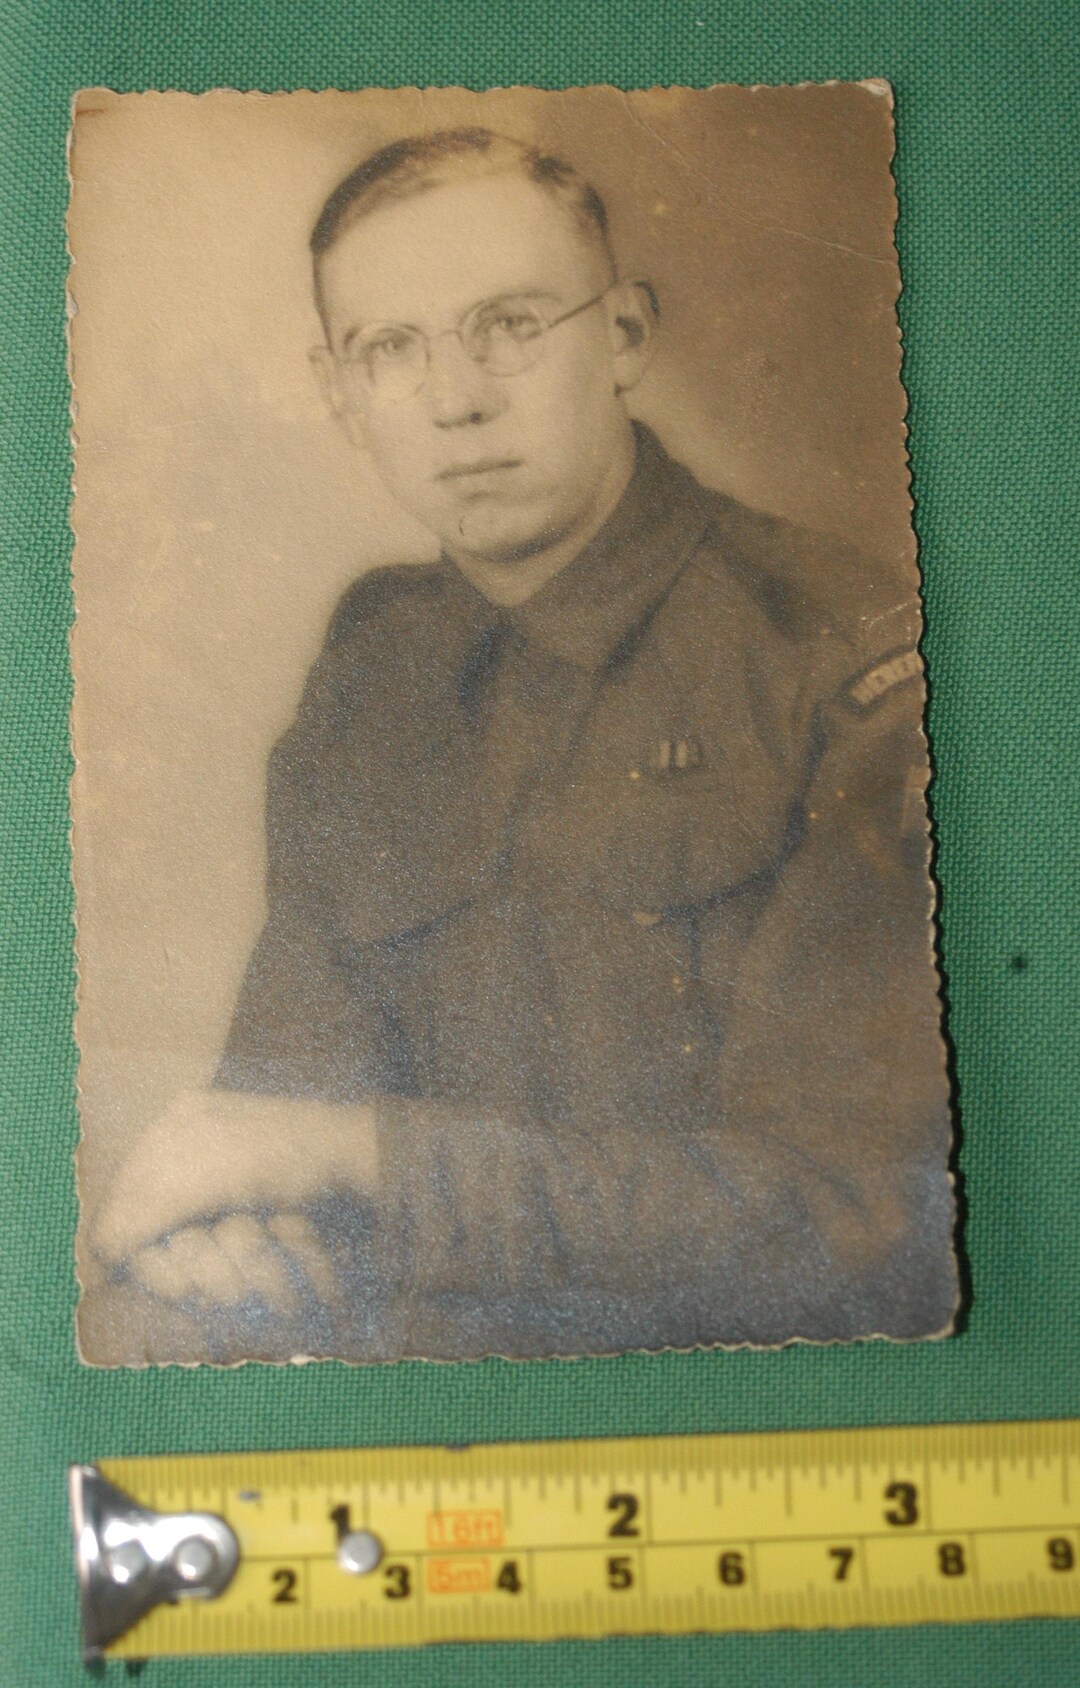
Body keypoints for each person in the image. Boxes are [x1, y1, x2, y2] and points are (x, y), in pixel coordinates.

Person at [88, 129, 956, 1361]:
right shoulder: (369, 678)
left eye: (510, 324)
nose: (456, 400)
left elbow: (869, 1225)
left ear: (625, 337)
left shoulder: (837, 661)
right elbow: (272, 1126)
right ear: (338, 390)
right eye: (393, 349)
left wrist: (352, 1159)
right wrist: (238, 1224)